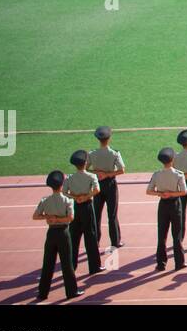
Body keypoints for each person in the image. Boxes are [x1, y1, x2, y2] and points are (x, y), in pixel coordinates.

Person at [33, 170, 83, 301]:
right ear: (62, 185)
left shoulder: (45, 200)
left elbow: (35, 216)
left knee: (48, 264)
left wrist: (49, 217)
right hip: (63, 233)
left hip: (51, 233)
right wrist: (58, 219)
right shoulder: (68, 200)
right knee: (67, 264)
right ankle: (71, 291)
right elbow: (70, 218)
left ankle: (42, 293)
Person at [145, 147, 187, 272]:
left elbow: (149, 191)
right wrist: (171, 194)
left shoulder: (157, 174)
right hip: (175, 205)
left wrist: (161, 193)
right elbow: (184, 191)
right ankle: (179, 262)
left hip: (163, 204)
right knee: (177, 234)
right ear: (173, 159)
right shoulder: (179, 174)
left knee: (162, 234)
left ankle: (161, 263)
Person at [63, 150, 102, 275]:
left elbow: (64, 192)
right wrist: (85, 197)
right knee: (90, 236)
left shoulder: (70, 177)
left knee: (74, 237)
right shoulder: (91, 176)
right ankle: (94, 266)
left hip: (75, 206)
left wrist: (75, 197)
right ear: (86, 163)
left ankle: (72, 266)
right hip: (87, 207)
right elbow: (97, 190)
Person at [87, 126, 125, 248]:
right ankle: (115, 241)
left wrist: (97, 173)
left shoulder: (92, 154)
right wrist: (108, 174)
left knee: (96, 215)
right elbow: (121, 170)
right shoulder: (114, 153)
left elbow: (86, 168)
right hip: (110, 184)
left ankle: (95, 241)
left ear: (98, 139)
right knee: (112, 214)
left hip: (97, 185)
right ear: (109, 138)